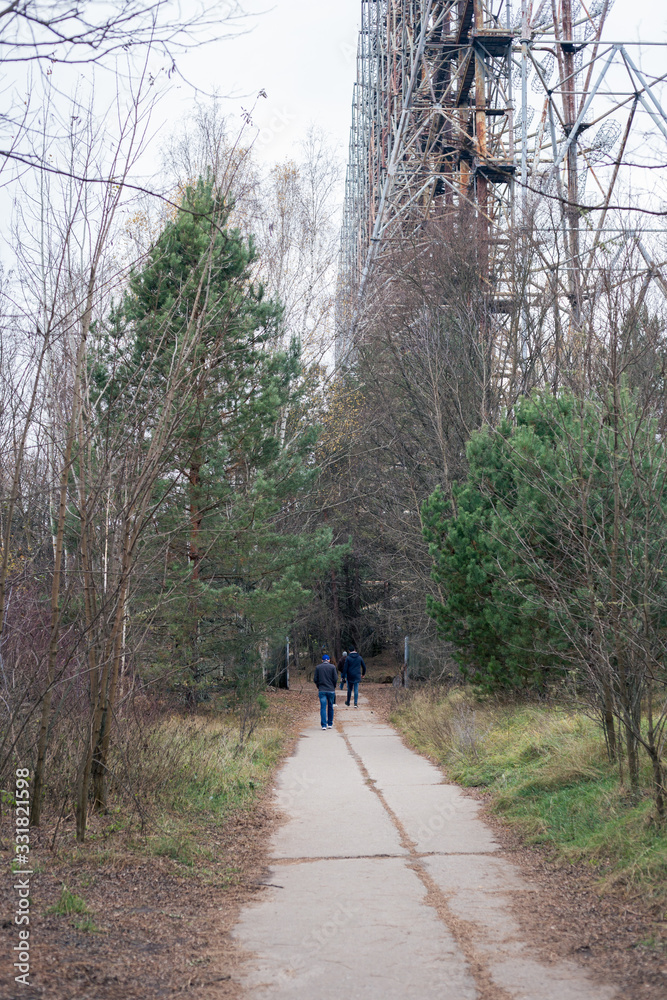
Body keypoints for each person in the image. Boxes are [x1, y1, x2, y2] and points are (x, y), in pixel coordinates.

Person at [313, 654, 338, 730]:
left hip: (322, 690)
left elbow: (315, 679)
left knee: (323, 707)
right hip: (331, 690)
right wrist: (333, 686)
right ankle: (330, 723)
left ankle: (324, 725)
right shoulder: (333, 667)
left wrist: (318, 686)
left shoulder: (318, 667)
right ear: (329, 660)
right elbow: (335, 678)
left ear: (322, 660)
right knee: (330, 706)